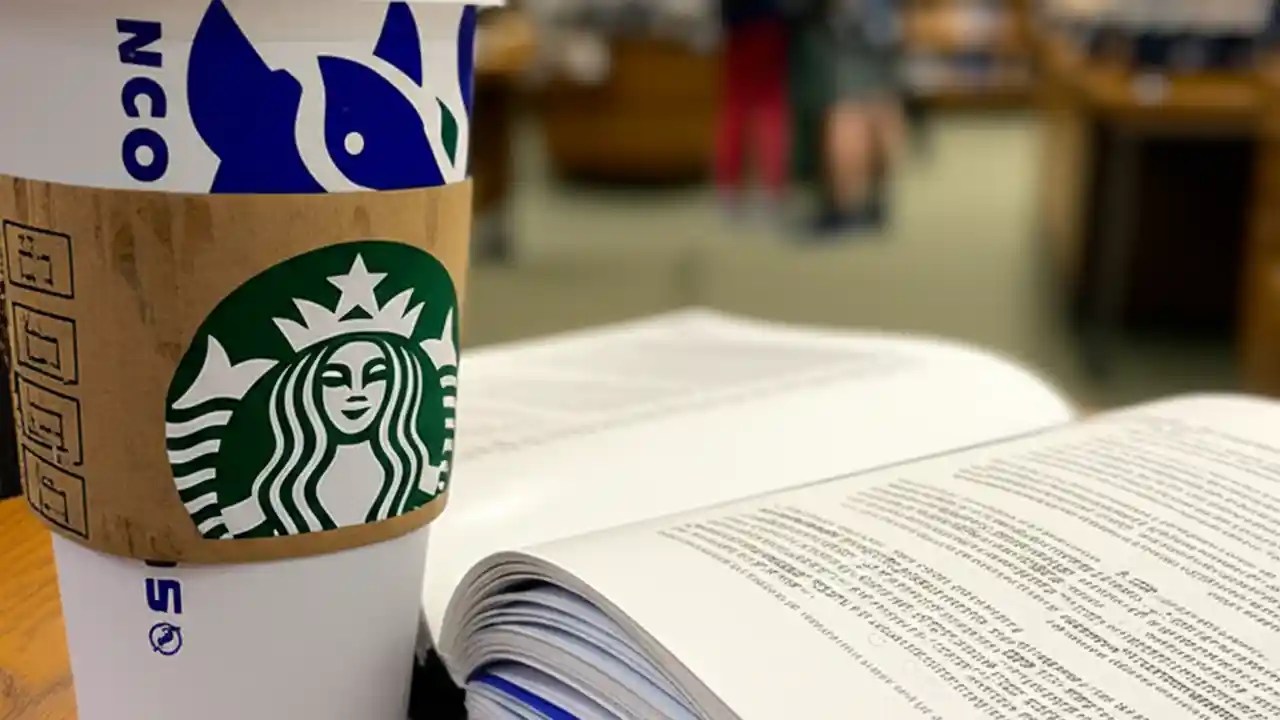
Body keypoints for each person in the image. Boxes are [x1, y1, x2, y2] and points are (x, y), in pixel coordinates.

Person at [798, 0, 907, 232]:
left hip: (850, 25)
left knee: (847, 111)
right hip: (882, 23)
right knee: (879, 101)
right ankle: (874, 201)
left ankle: (846, 205)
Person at [715, 0, 793, 215]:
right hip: (767, 21)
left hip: (741, 22)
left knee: (738, 104)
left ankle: (730, 188)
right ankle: (770, 190)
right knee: (768, 106)